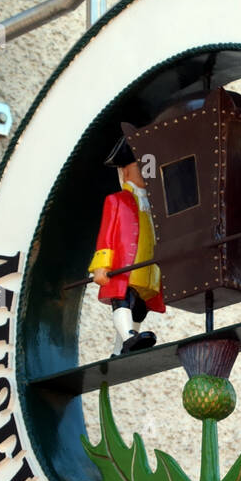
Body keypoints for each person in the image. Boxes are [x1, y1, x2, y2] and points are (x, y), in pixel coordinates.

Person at [89, 137, 165, 355]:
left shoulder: (154, 206)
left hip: (146, 270)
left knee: (139, 308)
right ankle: (128, 337)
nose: (147, 173)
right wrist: (101, 266)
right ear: (126, 172)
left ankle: (122, 349)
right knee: (123, 301)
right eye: (142, 167)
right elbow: (106, 235)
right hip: (124, 266)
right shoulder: (117, 200)